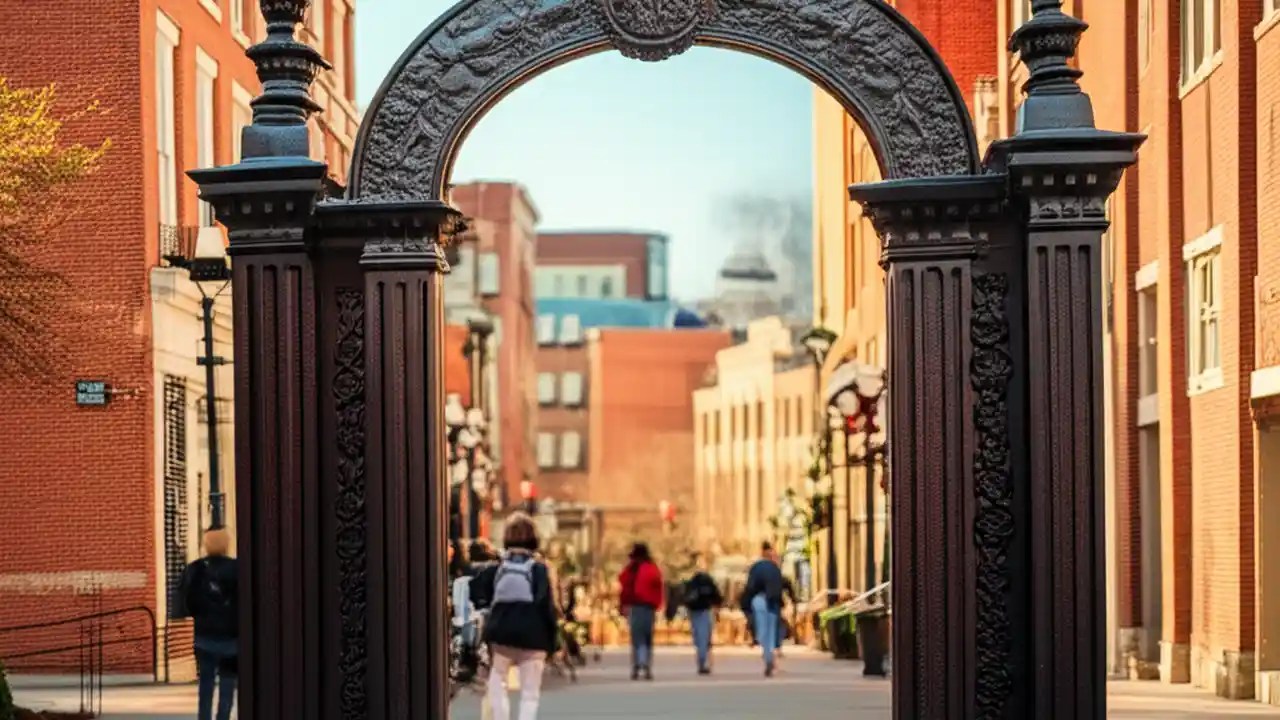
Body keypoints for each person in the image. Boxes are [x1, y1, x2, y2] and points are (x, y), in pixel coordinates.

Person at [471, 513, 559, 720]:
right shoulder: (538, 569)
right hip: (533, 635)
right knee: (530, 693)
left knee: (498, 680)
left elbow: (477, 591)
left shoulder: (497, 568)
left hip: (501, 633)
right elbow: (546, 604)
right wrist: (553, 639)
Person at [175, 527, 238, 720]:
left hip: (204, 637)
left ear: (206, 544)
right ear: (226, 543)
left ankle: (204, 717)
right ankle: (223, 717)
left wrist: (199, 613)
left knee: (206, 684)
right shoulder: (237, 569)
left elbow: (185, 601)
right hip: (231, 639)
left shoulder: (196, 568)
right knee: (228, 684)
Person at [617, 542, 664, 681]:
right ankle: (647, 666)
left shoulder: (631, 569)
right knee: (647, 637)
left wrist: (623, 605)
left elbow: (623, 584)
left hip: (634, 607)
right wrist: (659, 604)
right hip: (648, 607)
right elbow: (658, 586)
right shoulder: (651, 568)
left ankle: (637, 665)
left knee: (636, 638)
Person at [742, 541, 785, 677]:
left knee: (762, 629)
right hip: (773, 602)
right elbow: (781, 587)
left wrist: (746, 605)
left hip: (759, 600)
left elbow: (750, 587)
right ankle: (769, 656)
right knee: (771, 630)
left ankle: (767, 655)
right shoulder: (775, 569)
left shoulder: (756, 567)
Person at [681, 552, 723, 675]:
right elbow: (717, 596)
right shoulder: (707, 580)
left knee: (699, 637)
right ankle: (703, 662)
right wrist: (717, 607)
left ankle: (702, 661)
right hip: (704, 610)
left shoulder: (692, 581)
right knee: (704, 637)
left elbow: (685, 597)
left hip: (696, 611)